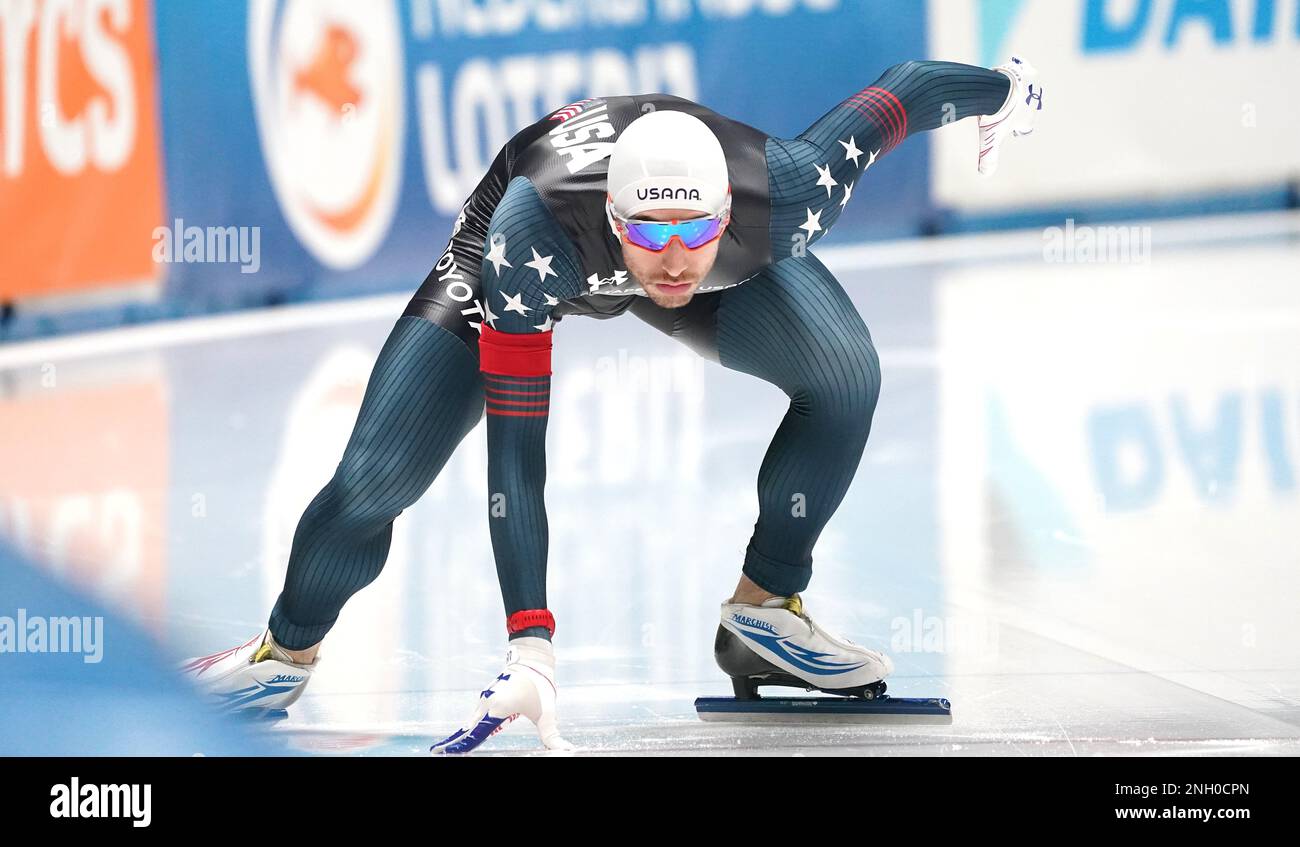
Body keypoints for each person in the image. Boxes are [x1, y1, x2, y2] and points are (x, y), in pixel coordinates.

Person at [182, 57, 1043, 751]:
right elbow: (517, 457)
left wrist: (1010, 88)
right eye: (652, 236)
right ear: (615, 217)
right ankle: (282, 652)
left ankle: (766, 609)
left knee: (846, 373)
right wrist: (532, 640)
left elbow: (915, 88)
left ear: (727, 212)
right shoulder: (529, 241)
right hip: (543, 249)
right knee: (375, 480)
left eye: (693, 233)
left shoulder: (793, 188)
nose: (672, 263)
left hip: (666, 240)